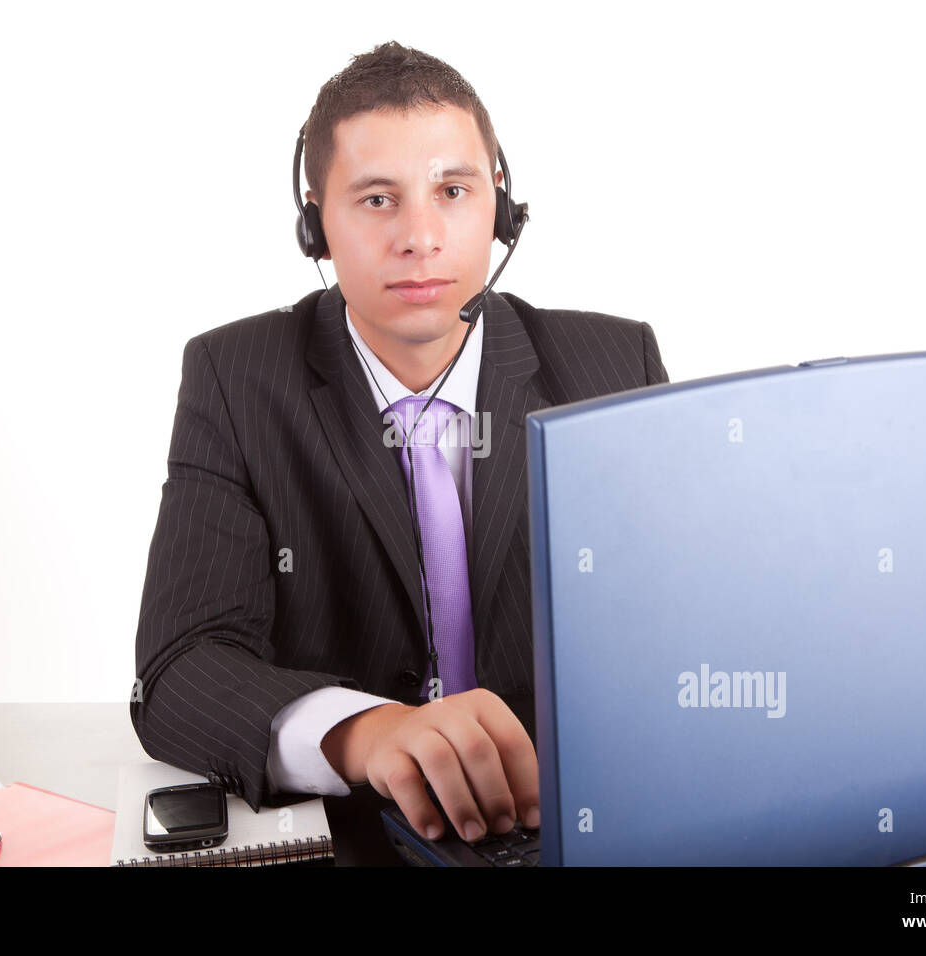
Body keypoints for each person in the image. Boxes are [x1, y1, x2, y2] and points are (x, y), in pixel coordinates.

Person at [130, 40, 669, 847]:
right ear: (315, 224)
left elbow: (682, 628)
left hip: (569, 823)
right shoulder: (235, 380)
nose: (421, 236)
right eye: (378, 200)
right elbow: (179, 673)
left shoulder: (612, 366)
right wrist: (366, 733)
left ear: (501, 206)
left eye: (453, 190)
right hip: (359, 839)